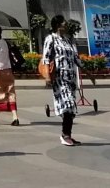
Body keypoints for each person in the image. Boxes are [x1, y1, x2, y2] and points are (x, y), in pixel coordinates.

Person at [43, 13, 81, 146]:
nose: (66, 24)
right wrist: (47, 76)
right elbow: (46, 58)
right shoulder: (51, 39)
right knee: (68, 104)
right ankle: (65, 135)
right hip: (60, 77)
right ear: (58, 25)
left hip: (71, 78)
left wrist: (88, 72)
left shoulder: (68, 39)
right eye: (64, 22)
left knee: (70, 108)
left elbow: (76, 58)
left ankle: (68, 135)